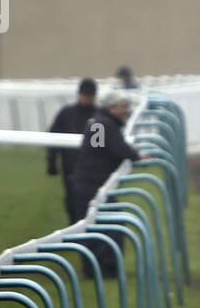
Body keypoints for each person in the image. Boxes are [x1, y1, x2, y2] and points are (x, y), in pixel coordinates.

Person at [69, 90, 143, 276]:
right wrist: (135, 155)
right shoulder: (102, 125)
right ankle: (103, 269)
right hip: (92, 185)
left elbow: (99, 150)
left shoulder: (99, 123)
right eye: (122, 107)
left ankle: (96, 268)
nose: (126, 111)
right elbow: (110, 149)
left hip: (89, 183)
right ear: (110, 107)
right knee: (106, 225)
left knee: (97, 225)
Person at [47, 78, 98, 221]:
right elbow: (54, 138)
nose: (87, 98)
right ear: (80, 94)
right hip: (70, 168)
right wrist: (51, 162)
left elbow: (98, 145)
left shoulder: (98, 116)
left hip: (92, 171)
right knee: (72, 203)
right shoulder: (66, 114)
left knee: (89, 204)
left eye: (90, 95)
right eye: (85, 95)